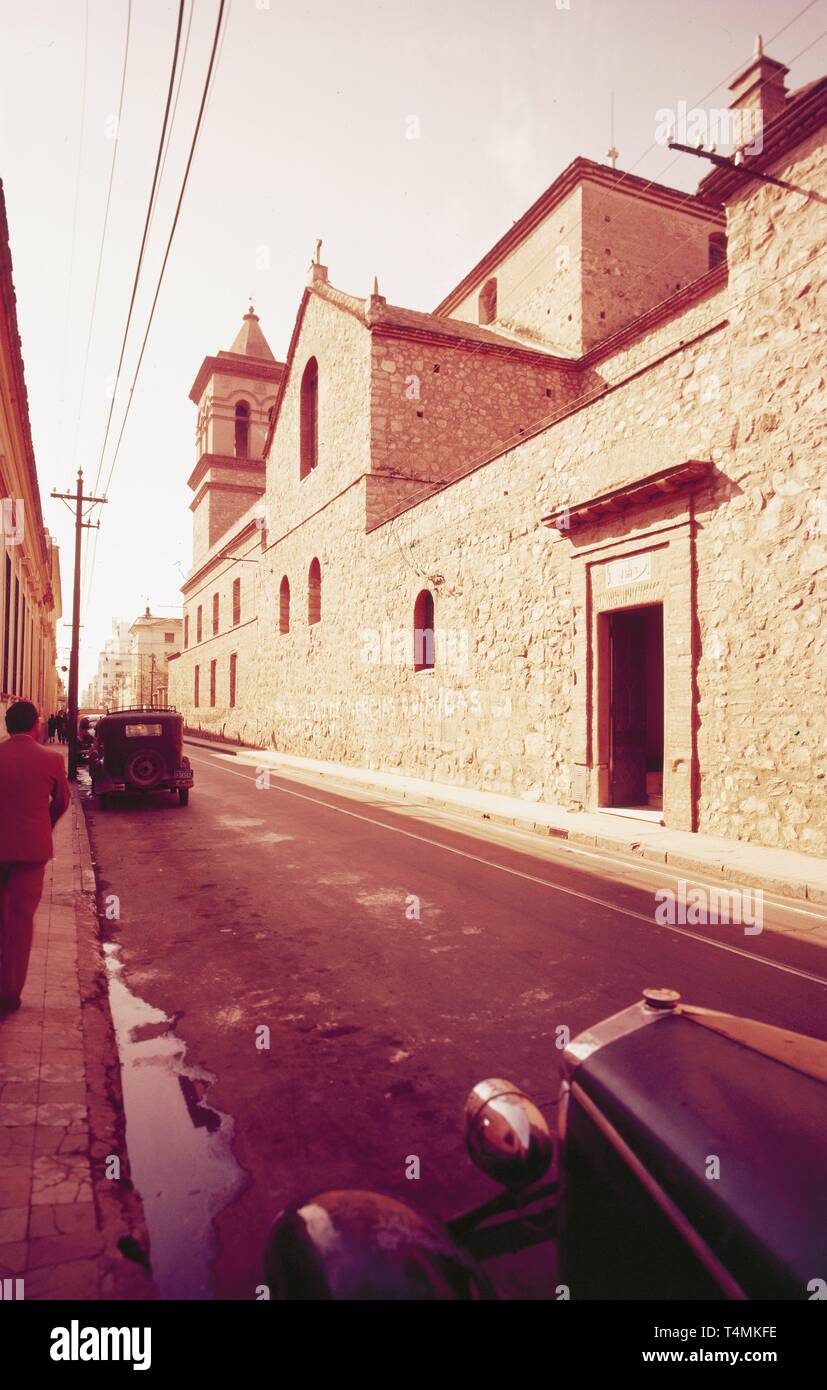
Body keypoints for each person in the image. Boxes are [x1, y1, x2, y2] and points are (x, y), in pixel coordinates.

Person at [0, 700, 71, 1014]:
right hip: (30, 852)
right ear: (35, 725)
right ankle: (9, 993)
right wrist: (46, 824)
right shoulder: (52, 759)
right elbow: (62, 803)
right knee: (20, 921)